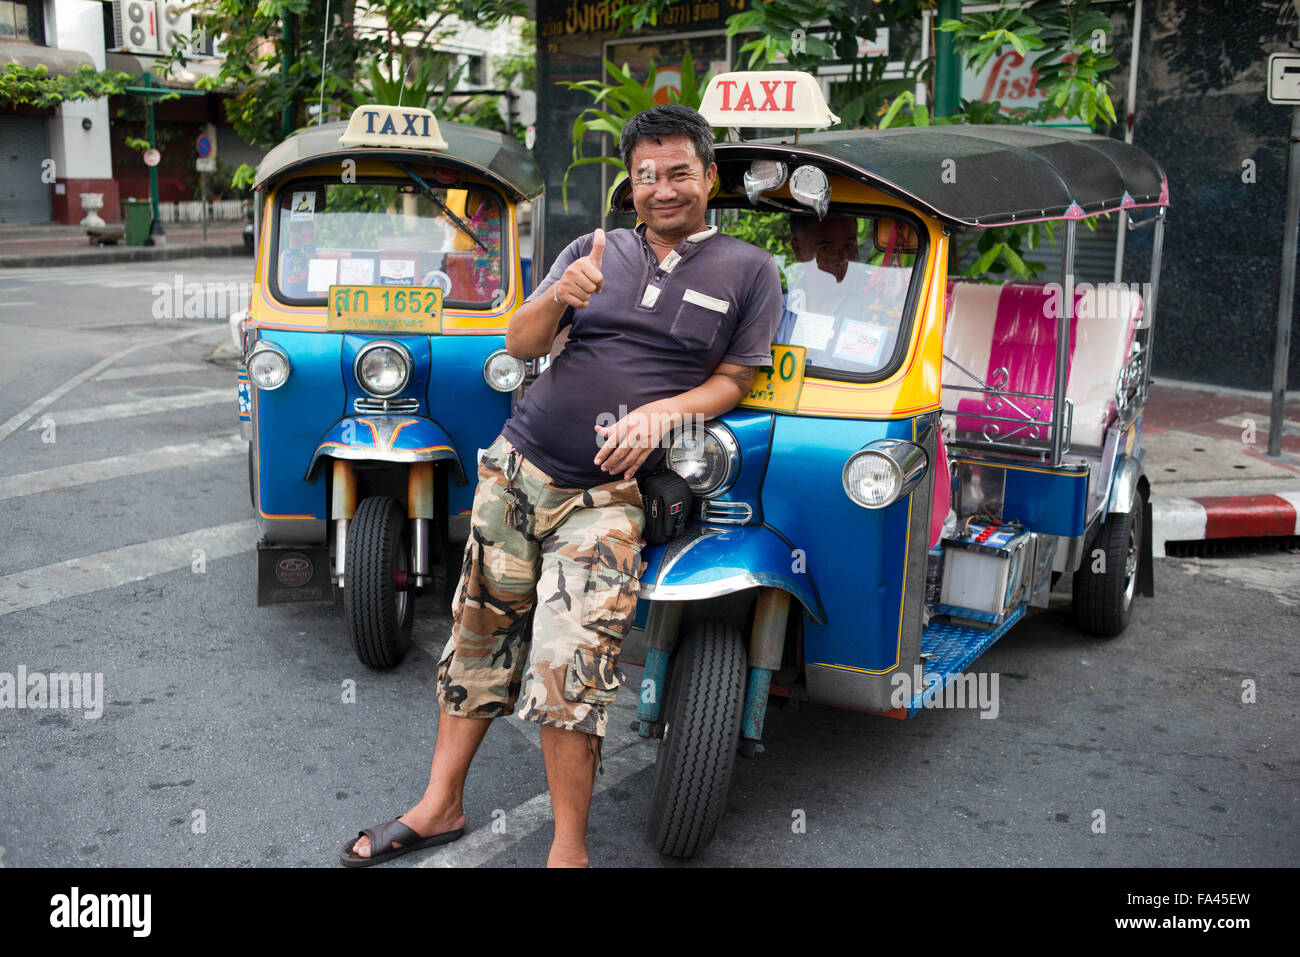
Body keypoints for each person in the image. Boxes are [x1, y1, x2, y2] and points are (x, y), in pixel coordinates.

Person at [341, 103, 783, 868]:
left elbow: (736, 379)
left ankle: (568, 851)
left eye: (679, 172)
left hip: (608, 499)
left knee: (571, 658)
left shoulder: (749, 269)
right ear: (632, 184)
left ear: (709, 176)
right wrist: (559, 295)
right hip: (517, 467)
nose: (663, 189)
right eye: (647, 176)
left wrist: (664, 414)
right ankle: (441, 802)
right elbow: (521, 341)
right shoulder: (594, 246)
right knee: (476, 632)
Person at [775, 214, 912, 373]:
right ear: (798, 250)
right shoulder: (779, 309)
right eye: (826, 248)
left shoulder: (882, 306)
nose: (841, 258)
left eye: (849, 246)